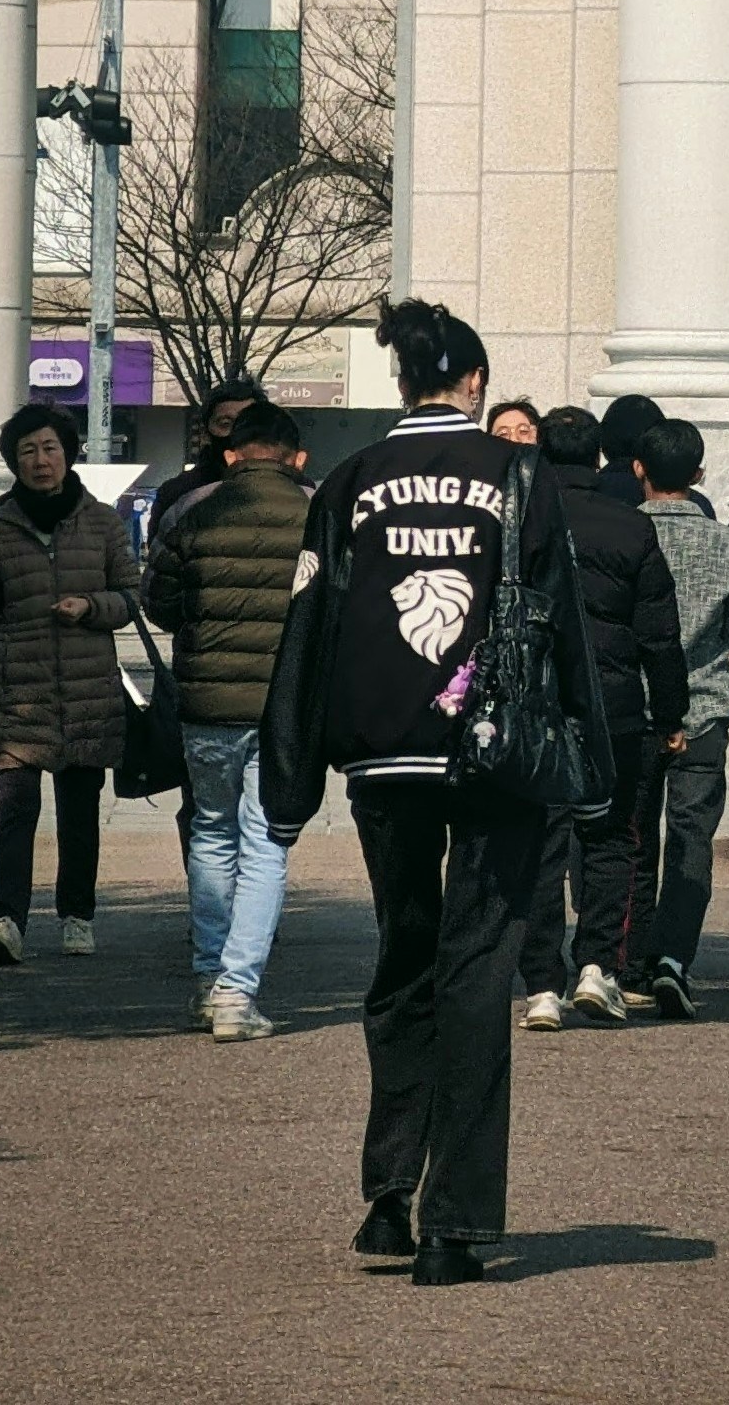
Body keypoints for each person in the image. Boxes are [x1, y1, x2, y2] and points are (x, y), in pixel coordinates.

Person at [261, 298, 607, 1286]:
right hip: (491, 750)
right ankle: (454, 1224)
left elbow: (307, 632)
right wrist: (590, 775)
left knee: (403, 954)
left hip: (380, 753)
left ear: (404, 383)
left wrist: (288, 782)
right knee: (477, 968)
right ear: (472, 385)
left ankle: (384, 1196)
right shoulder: (517, 475)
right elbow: (559, 624)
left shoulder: (351, 480)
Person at [142, 395, 311, 1036]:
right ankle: (237, 992)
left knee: (212, 833)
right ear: (297, 456)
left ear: (232, 454)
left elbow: (159, 599)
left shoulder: (193, 511)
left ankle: (208, 975)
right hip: (283, 705)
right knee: (266, 839)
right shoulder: (316, 513)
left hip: (207, 703)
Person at [521, 404, 689, 1031]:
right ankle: (599, 967)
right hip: (613, 704)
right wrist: (669, 712)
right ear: (600, 458)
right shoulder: (630, 526)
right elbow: (658, 635)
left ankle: (541, 983)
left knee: (540, 841)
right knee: (613, 837)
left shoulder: (519, 524)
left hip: (537, 702)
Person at [0, 400, 137, 964]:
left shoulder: (103, 521)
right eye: (28, 450)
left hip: (88, 694)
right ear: (14, 461)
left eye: (50, 448)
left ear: (68, 453)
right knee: (15, 811)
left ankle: (77, 915)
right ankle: (5, 919)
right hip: (18, 696)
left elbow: (133, 597)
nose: (40, 460)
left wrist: (91, 605)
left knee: (80, 814)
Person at [628, 418, 729, 1016]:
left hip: (633, 708)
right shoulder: (727, 543)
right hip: (705, 708)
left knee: (631, 836)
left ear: (639, 469)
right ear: (700, 474)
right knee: (691, 837)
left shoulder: (623, 534)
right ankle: (673, 958)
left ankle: (625, 956)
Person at [148, 384, 258, 538]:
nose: (237, 431)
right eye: (226, 424)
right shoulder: (177, 493)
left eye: (248, 422)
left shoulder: (295, 490)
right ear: (205, 432)